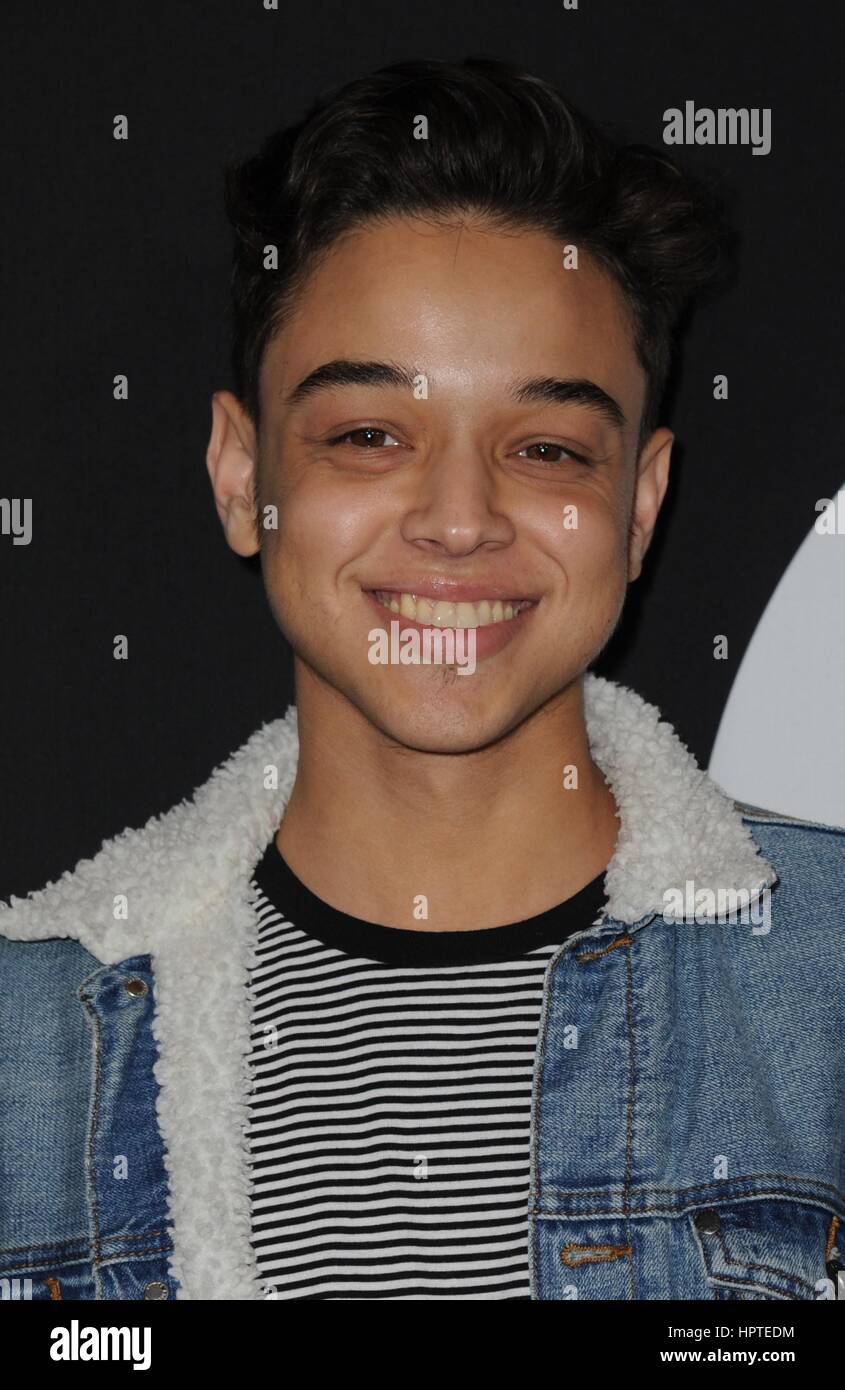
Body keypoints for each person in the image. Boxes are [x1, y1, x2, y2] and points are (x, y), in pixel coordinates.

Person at [2, 57, 842, 1303]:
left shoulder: (821, 983)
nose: (459, 519)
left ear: (639, 504)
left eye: (546, 447)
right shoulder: (32, 1049)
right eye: (368, 435)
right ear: (243, 477)